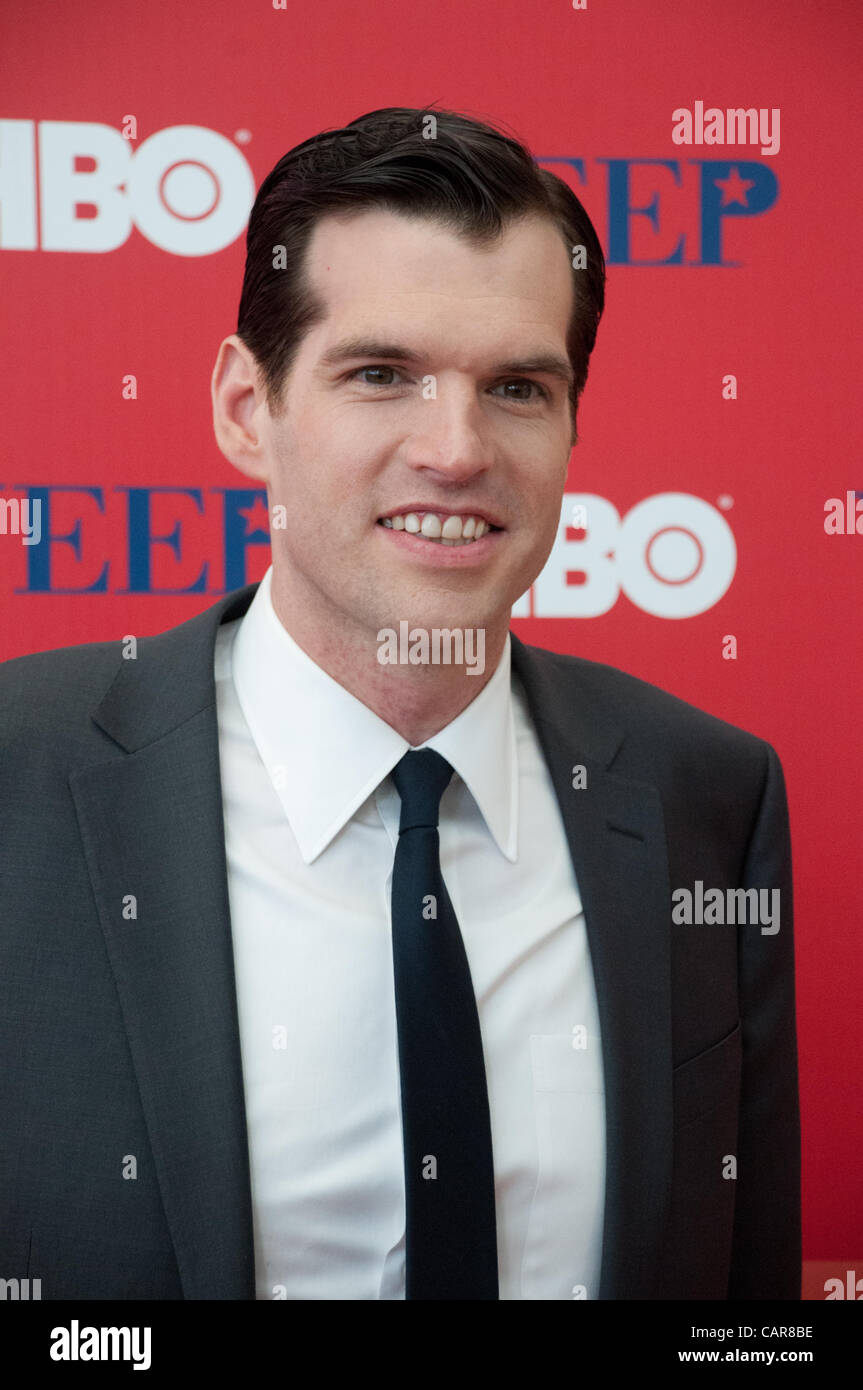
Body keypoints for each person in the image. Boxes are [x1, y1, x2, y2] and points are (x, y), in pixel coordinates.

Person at [0, 106, 800, 1300]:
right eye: (381, 374)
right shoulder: (21, 768)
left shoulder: (705, 792)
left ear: (572, 422)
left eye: (518, 387)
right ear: (244, 408)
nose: (456, 448)